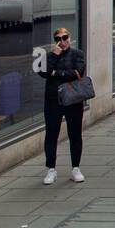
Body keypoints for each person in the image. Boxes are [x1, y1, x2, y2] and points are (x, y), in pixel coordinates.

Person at [37, 27, 86, 185]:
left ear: (69, 38)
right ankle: (51, 169)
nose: (62, 41)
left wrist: (56, 74)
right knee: (51, 135)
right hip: (53, 101)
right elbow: (43, 72)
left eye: (65, 38)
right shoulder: (50, 56)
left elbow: (78, 73)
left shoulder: (77, 54)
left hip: (73, 100)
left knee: (75, 134)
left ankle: (76, 168)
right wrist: (54, 57)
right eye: (59, 39)